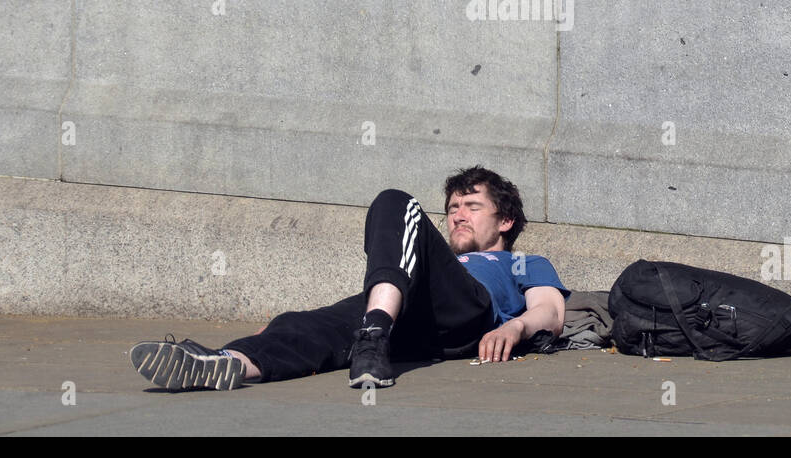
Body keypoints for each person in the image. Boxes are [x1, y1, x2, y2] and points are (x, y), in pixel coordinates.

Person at [129, 166, 569, 390]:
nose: (457, 215)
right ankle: (223, 365)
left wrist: (515, 325)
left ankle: (373, 332)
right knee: (300, 325)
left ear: (506, 220)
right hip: (402, 319)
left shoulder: (522, 262)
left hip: (465, 313)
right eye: (452, 208)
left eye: (471, 206)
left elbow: (550, 312)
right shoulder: (428, 254)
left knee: (396, 201)